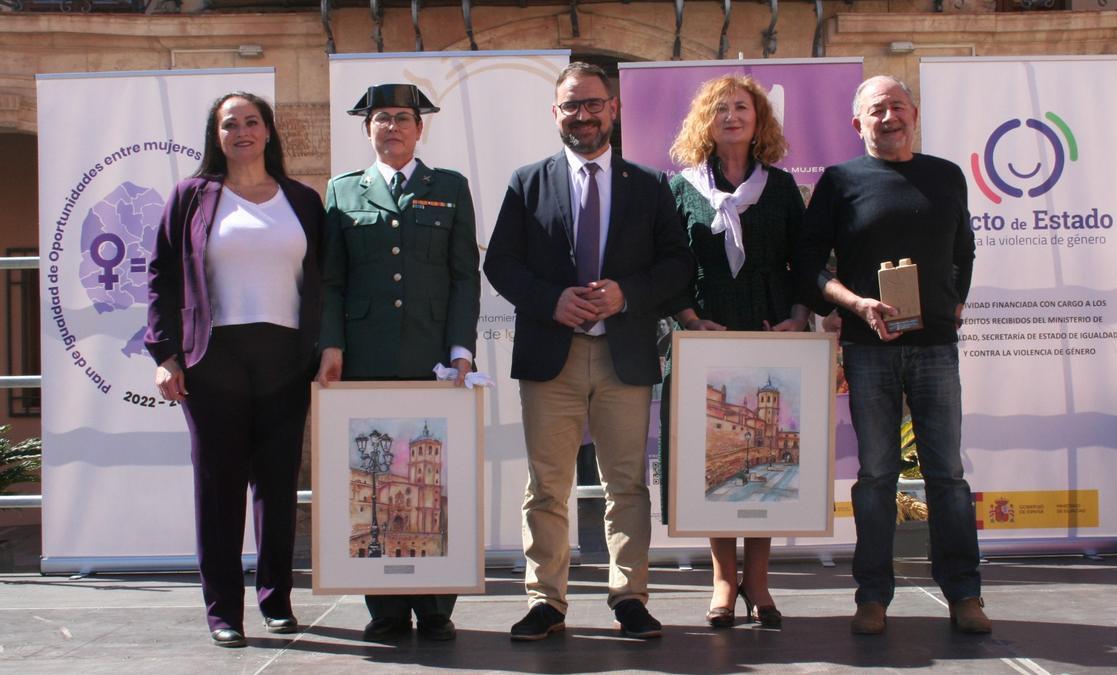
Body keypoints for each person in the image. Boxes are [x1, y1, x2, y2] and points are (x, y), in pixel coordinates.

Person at [484, 62, 692, 641]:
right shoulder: (528, 182)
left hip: (624, 356)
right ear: (556, 114)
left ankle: (630, 598)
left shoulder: (649, 186)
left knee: (627, 485)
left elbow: (679, 266)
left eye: (593, 103)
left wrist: (629, 294)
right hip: (553, 357)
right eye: (571, 105)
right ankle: (545, 601)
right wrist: (550, 300)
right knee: (547, 486)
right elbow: (500, 263)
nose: (583, 114)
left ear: (614, 108)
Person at [794, 75, 990, 635]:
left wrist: (955, 303)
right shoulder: (839, 182)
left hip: (935, 349)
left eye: (897, 106)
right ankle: (872, 596)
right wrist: (855, 304)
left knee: (947, 475)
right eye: (876, 110)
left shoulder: (946, 175)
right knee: (876, 474)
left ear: (915, 114)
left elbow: (964, 250)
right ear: (858, 124)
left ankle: (965, 594)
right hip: (867, 348)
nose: (888, 117)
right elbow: (809, 265)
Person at [145, 92, 324, 647]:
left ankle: (276, 600)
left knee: (278, 484)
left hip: (286, 357)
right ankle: (223, 610)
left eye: (251, 121)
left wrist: (327, 349)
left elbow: (324, 279)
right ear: (216, 135)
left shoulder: (302, 199)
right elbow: (161, 278)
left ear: (268, 131)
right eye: (230, 124)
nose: (242, 131)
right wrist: (164, 354)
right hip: (212, 358)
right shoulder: (192, 197)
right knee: (218, 489)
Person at [316, 83, 480, 643]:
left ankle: (436, 606)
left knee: (438, 486)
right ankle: (384, 608)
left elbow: (464, 276)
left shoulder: (450, 188)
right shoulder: (342, 191)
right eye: (381, 118)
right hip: (365, 358)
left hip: (432, 355)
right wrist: (331, 346)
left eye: (403, 118)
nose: (392, 127)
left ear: (420, 128)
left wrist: (462, 349)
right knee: (374, 472)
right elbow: (331, 281)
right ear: (367, 129)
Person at [662, 74, 810, 630]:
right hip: (703, 331)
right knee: (707, 463)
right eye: (720, 108)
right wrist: (689, 319)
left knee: (773, 464)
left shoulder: (781, 187)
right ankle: (724, 580)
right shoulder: (679, 190)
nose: (731, 115)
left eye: (742, 107)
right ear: (706, 120)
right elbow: (666, 264)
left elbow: (807, 258)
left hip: (768, 328)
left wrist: (799, 315)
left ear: (759, 119)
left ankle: (762, 582)